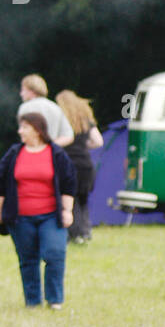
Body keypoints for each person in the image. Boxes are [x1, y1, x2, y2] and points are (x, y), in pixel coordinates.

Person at [0, 112, 78, 309]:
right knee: (27, 259)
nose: (20, 131)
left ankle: (54, 300)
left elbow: (68, 182)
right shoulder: (14, 153)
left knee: (54, 253)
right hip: (20, 217)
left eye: (24, 127)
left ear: (37, 130)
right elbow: (0, 181)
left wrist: (67, 210)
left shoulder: (55, 153)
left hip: (51, 215)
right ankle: (32, 301)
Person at [56, 90, 104, 244]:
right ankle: (85, 232)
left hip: (68, 165)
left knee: (70, 199)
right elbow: (98, 141)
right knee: (83, 200)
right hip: (85, 165)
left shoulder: (61, 121)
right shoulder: (85, 120)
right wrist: (83, 146)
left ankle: (73, 234)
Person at [18, 74, 74, 147]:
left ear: (31, 91)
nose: (21, 94)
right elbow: (69, 136)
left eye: (23, 90)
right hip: (51, 156)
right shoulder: (56, 107)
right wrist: (50, 147)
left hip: (32, 153)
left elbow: (25, 135)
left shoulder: (25, 107)